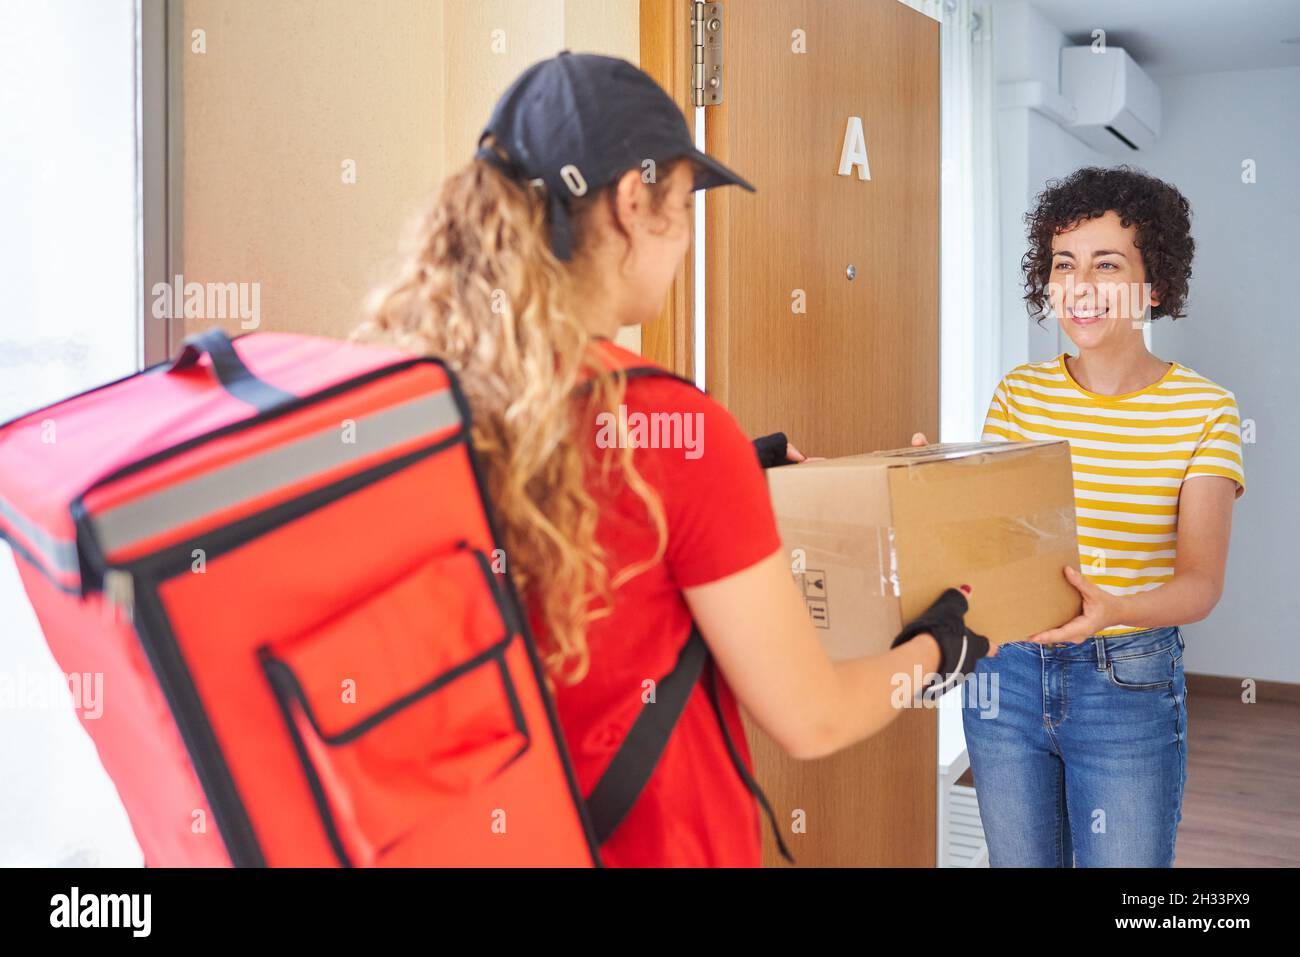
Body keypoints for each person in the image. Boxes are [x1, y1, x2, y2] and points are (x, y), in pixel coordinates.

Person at [354, 52, 987, 866]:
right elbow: (813, 717)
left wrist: (724, 482)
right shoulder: (673, 431)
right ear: (631, 203)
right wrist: (938, 651)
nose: (688, 236)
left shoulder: (430, 394)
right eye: (683, 204)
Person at [916, 166, 1245, 866]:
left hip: (1125, 682)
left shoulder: (1206, 411)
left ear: (1153, 285)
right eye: (1064, 264)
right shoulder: (1019, 395)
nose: (1080, 286)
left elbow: (1200, 583)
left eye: (1107, 264)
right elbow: (993, 539)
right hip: (1006, 674)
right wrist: (931, 488)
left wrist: (1115, 605)